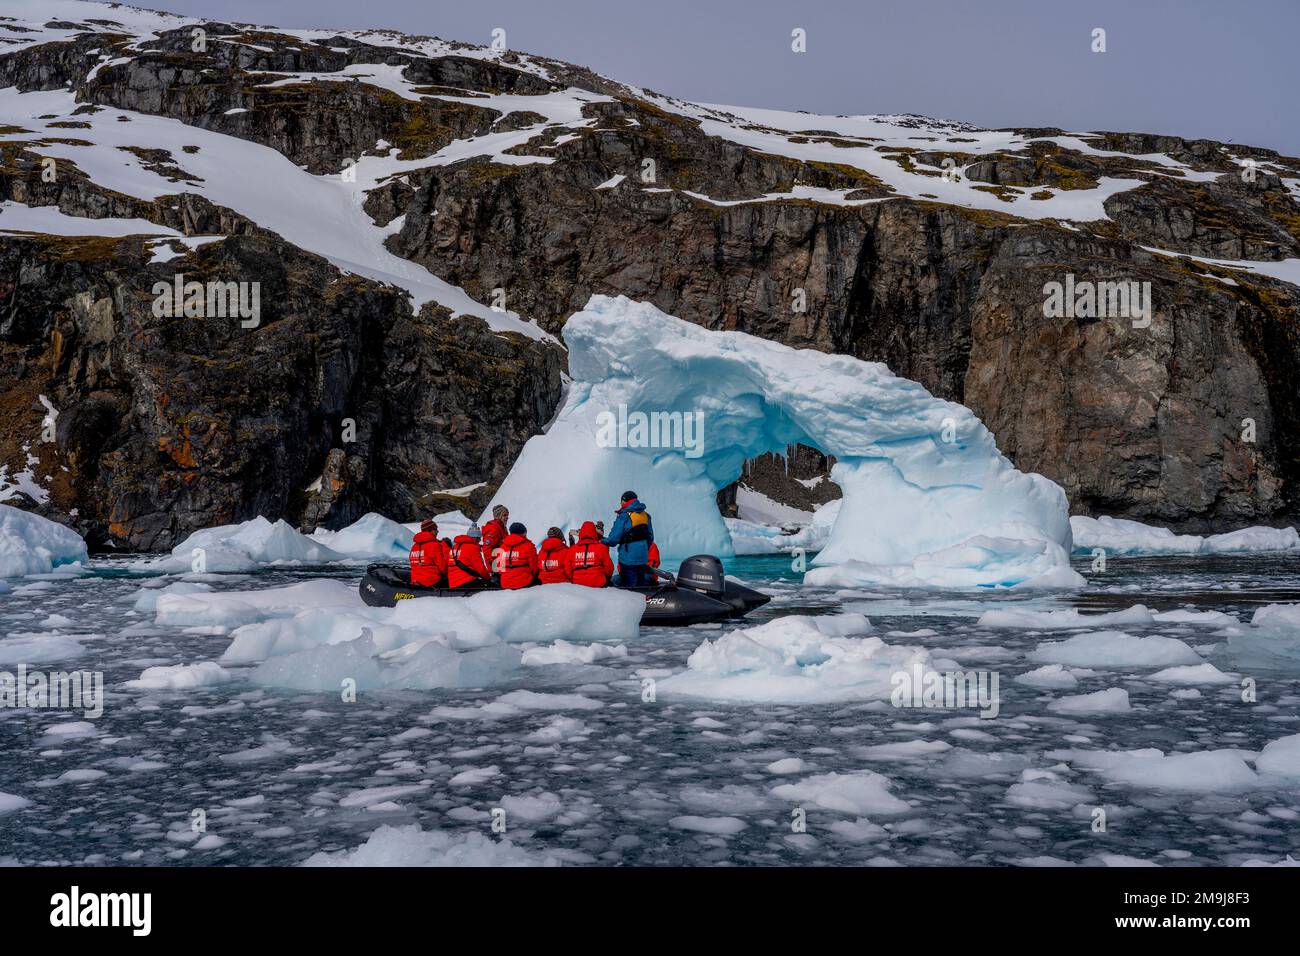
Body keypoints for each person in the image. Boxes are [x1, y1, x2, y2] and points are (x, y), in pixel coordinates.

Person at [604, 491, 654, 588]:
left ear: (625, 501)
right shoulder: (646, 516)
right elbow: (650, 537)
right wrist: (642, 549)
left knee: (630, 587)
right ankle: (644, 600)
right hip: (643, 557)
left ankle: (632, 601)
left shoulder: (624, 516)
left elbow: (613, 539)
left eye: (621, 501)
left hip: (628, 559)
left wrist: (602, 541)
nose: (620, 503)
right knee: (641, 584)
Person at [447, 524, 493, 589]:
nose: (479, 541)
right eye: (478, 538)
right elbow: (480, 568)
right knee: (492, 586)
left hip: (452, 583)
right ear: (474, 538)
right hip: (466, 582)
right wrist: (488, 578)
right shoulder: (472, 547)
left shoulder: (455, 547)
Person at [569, 520, 615, 587]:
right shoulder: (602, 547)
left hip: (577, 582)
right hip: (598, 582)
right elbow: (609, 567)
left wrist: (572, 577)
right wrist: (605, 578)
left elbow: (568, 566)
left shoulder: (573, 549)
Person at [409, 519, 449, 587]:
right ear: (430, 531)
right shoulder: (434, 545)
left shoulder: (414, 546)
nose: (437, 531)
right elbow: (442, 566)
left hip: (416, 582)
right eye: (435, 529)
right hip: (432, 582)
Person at [498, 522, 538, 589]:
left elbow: (499, 568)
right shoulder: (529, 546)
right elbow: (534, 567)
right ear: (523, 533)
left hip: (505, 583)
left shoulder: (502, 547)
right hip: (524, 582)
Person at [481, 504, 509, 569]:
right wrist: (494, 566)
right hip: (497, 566)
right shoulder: (493, 529)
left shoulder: (502, 527)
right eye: (505, 515)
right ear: (498, 516)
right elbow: (487, 549)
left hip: (503, 563)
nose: (507, 517)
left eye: (507, 515)